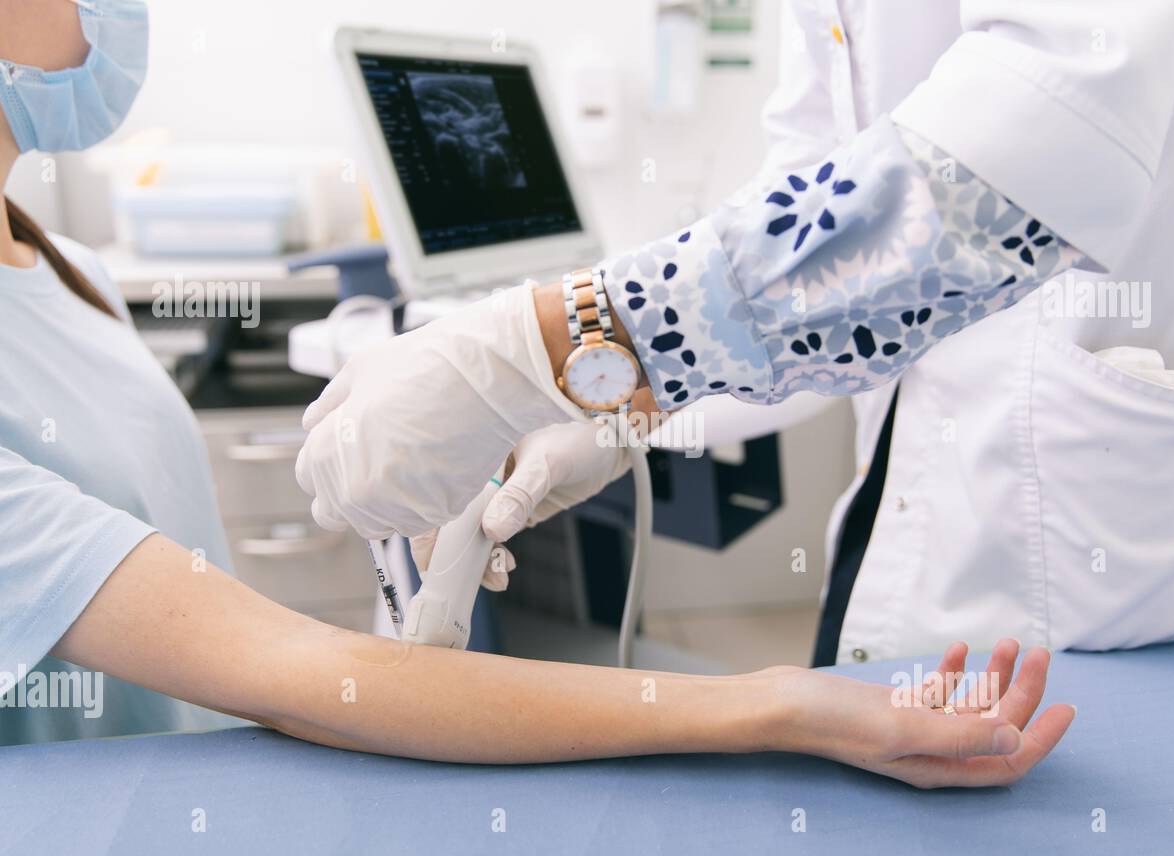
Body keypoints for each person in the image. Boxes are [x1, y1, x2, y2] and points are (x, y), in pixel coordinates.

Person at [0, 0, 1072, 786]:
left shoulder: (59, 268)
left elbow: (958, 188)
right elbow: (290, 670)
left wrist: (582, 375)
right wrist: (780, 703)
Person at [296, 0, 1174, 664]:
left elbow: (1024, 154)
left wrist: (564, 343)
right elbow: (809, 201)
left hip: (1125, 541)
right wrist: (622, 401)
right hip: (909, 493)